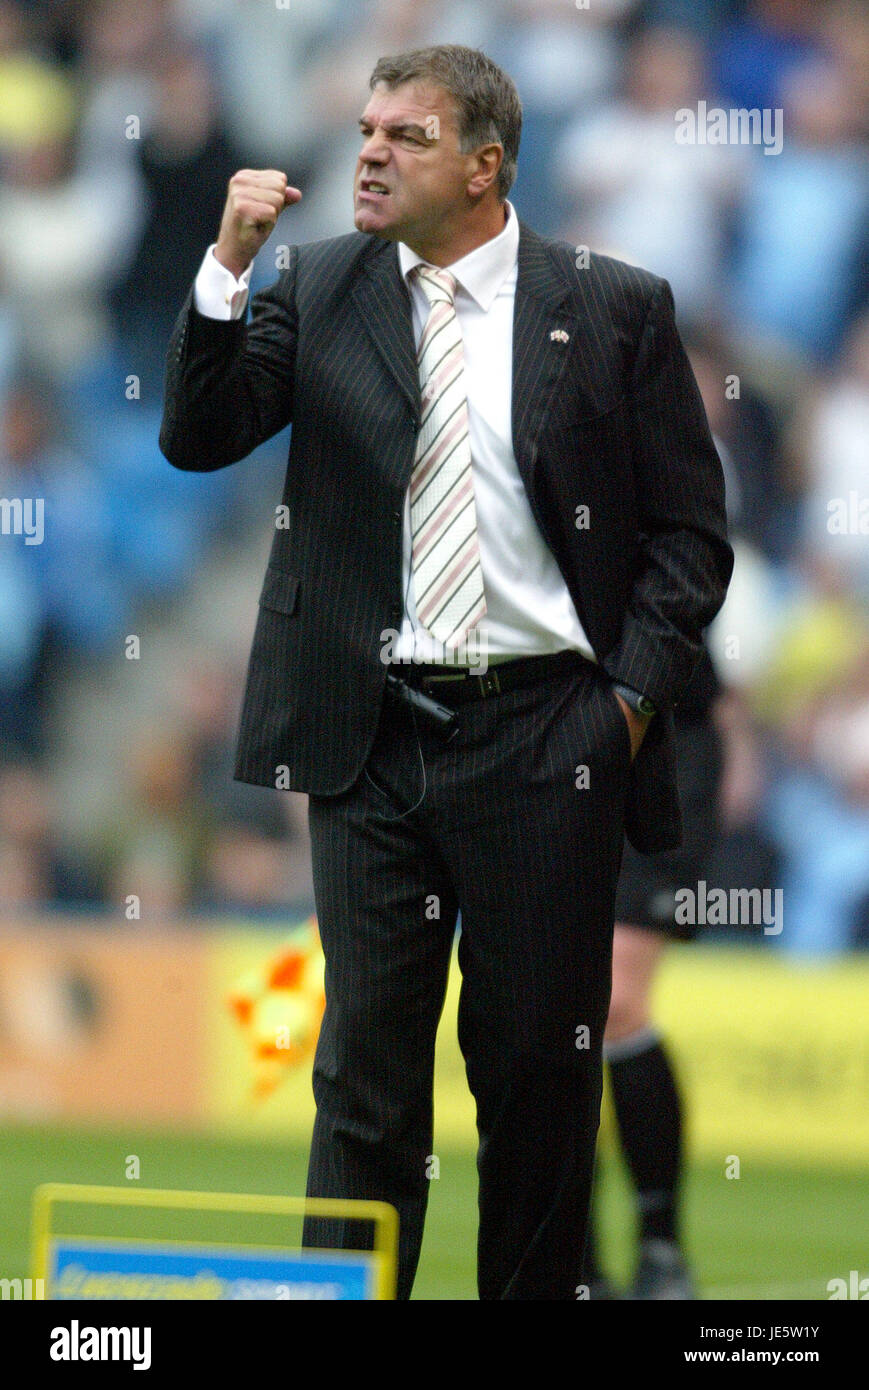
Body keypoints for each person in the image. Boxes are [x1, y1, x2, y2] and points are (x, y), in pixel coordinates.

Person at [159, 44, 732, 1300]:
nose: (367, 151)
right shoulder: (314, 282)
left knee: (532, 1074)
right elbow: (198, 439)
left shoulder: (614, 304)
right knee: (361, 1075)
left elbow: (689, 540)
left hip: (544, 739)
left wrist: (621, 711)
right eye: (364, 128)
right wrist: (226, 269)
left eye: (403, 136)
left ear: (484, 165)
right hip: (366, 737)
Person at [584, 648, 725, 1300]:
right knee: (554, 1007)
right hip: (539, 747)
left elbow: (689, 588)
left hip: (661, 745)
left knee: (613, 1001)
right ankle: (572, 1254)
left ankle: (659, 1244)